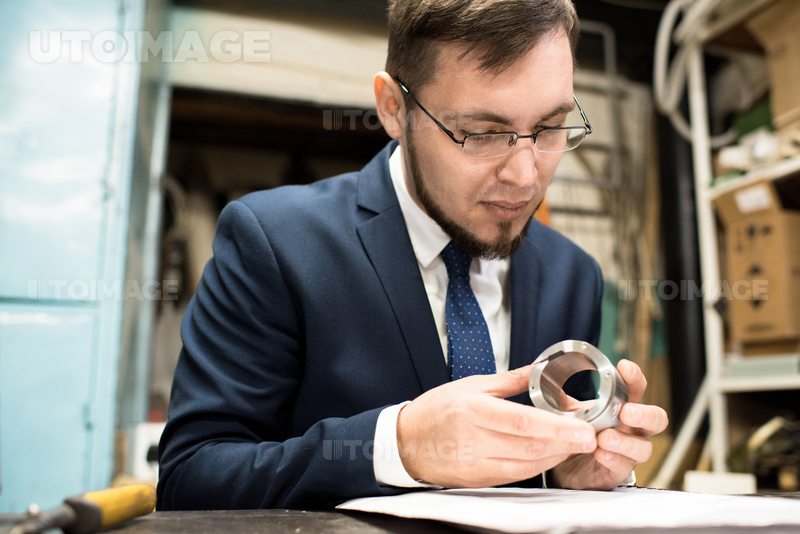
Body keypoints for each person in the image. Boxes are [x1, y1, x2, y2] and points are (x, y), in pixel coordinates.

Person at [157, 0, 668, 510]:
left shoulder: (572, 276)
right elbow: (191, 479)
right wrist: (397, 447)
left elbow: (542, 480)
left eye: (551, 127)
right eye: (482, 133)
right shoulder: (275, 242)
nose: (525, 176)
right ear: (394, 109)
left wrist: (568, 471)